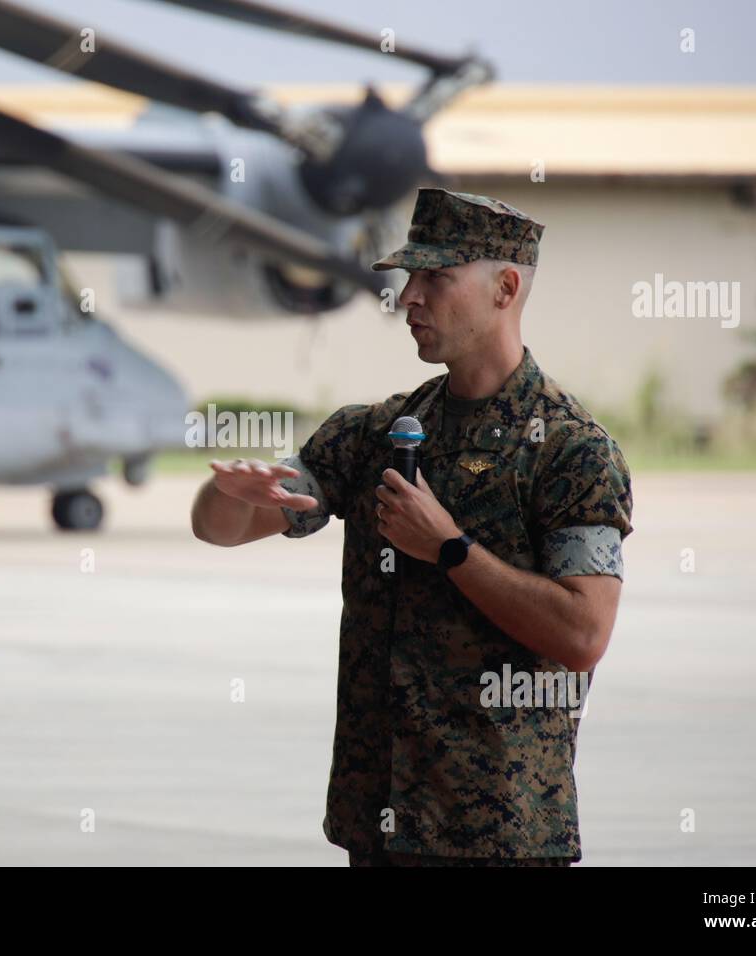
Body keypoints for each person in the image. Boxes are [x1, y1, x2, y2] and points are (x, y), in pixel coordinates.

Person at [191, 188, 634, 866]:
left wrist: (450, 549)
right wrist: (227, 494)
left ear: (504, 288)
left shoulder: (570, 450)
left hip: (499, 836)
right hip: (378, 826)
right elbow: (221, 528)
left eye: (436, 278)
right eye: (408, 279)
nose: (409, 299)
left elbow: (583, 634)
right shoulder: (373, 433)